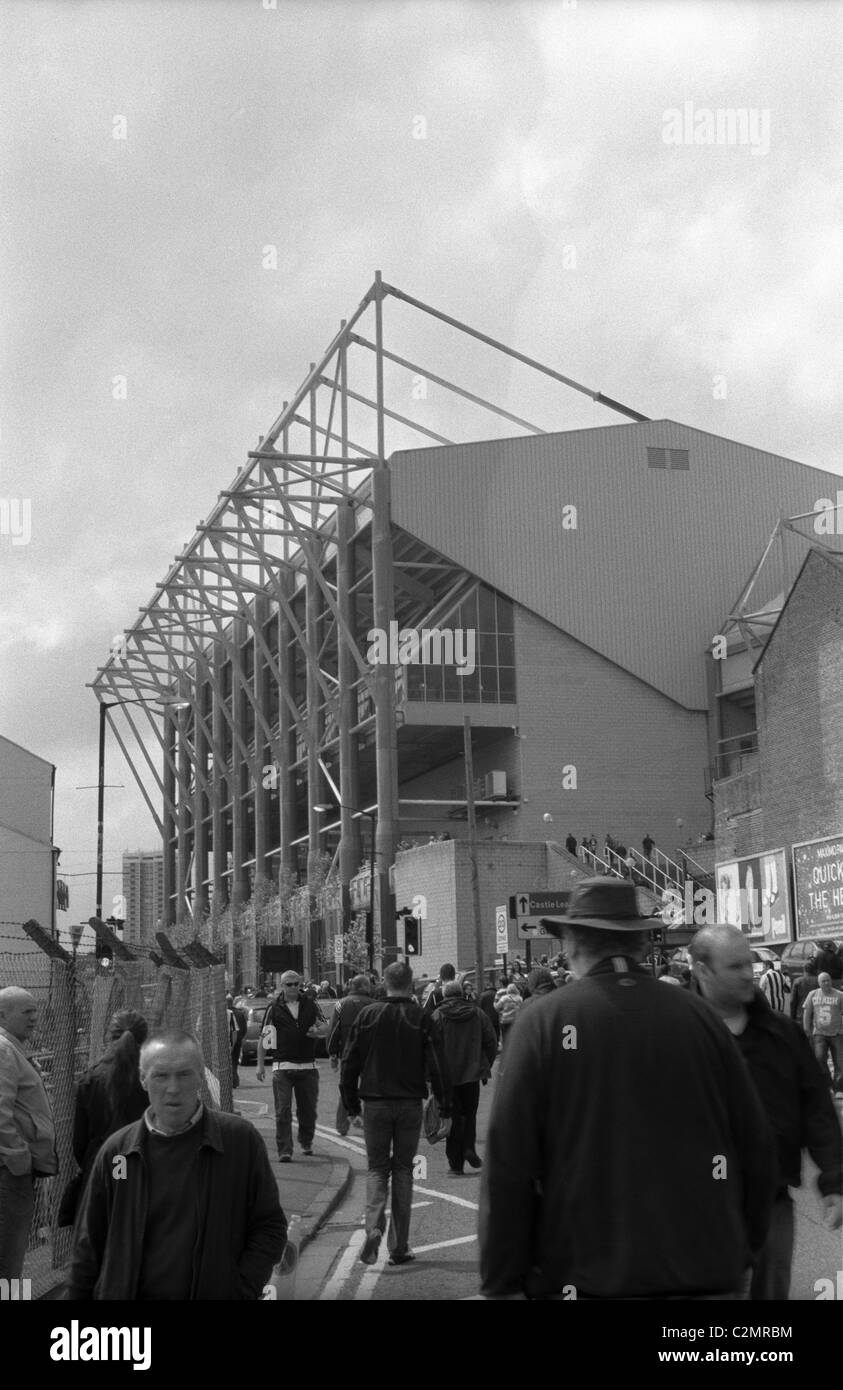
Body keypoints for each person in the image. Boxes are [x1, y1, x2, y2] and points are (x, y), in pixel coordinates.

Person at [478, 879, 776, 1300]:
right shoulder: (702, 1018)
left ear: (571, 943)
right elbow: (756, 1145)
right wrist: (742, 1247)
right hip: (706, 1272)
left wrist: (501, 1281)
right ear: (639, 942)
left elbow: (508, 1167)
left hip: (586, 1275)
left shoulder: (542, 1023)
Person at [66, 1030, 287, 1299]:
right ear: (143, 1080)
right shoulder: (118, 1154)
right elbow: (89, 1242)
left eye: (184, 1074)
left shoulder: (239, 1141)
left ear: (200, 1076)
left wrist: (240, 1288)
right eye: (161, 1075)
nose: (173, 1088)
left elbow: (269, 1226)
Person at [691, 925, 842, 1300]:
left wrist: (835, 1182)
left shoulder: (782, 1034)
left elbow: (817, 1110)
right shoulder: (677, 1034)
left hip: (770, 1203)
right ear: (702, 970)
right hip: (696, 1208)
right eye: (735, 966)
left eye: (749, 964)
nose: (748, 974)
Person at [340, 960, 450, 1267]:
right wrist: (445, 1107)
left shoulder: (367, 1015)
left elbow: (349, 1063)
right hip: (409, 1103)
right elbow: (438, 1067)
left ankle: (374, 1227)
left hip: (374, 1103)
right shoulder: (421, 1017)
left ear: (383, 983)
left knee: (377, 1169)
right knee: (403, 1171)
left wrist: (350, 1107)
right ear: (411, 983)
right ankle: (399, 1247)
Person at [64, 1010, 149, 1226]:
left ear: (110, 1037)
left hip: (103, 1162)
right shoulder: (153, 1075)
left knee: (105, 1230)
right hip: (143, 1162)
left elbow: (79, 1142)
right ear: (144, 1038)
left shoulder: (91, 1078)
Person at [0, 987, 58, 1279]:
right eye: (26, 1012)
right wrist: (18, 1158)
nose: (35, 1018)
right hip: (10, 1173)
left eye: (35, 1011)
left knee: (13, 1257)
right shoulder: (3, 1050)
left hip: (15, 1171)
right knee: (9, 1260)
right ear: (2, 1015)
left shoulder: (12, 1049)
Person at [256, 970, 328, 1162]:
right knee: (283, 1111)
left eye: (296, 984)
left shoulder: (311, 1005)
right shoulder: (274, 1007)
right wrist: (260, 1065)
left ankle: (306, 1141)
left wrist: (318, 1032)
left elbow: (326, 1027)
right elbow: (264, 1038)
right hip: (282, 1067)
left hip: (308, 1067)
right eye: (289, 984)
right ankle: (285, 1150)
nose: (294, 987)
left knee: (308, 1110)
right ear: (282, 986)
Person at [432, 981, 497, 1176]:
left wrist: (430, 1076)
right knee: (469, 1114)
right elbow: (491, 1041)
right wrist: (485, 1064)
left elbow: (430, 1048)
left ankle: (456, 1163)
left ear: (445, 995)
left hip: (447, 1077)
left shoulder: (438, 1016)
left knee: (451, 1117)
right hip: (472, 1074)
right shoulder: (477, 1013)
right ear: (462, 994)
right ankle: (469, 1147)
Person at [327, 974, 372, 1134]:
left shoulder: (341, 1004)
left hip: (348, 1053)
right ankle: (368, 1124)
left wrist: (332, 1053)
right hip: (370, 1055)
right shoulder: (373, 1005)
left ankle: (342, 1125)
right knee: (370, 1089)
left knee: (346, 1087)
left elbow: (333, 1031)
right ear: (366, 987)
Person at [803, 973, 843, 1092]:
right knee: (819, 1058)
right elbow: (807, 1012)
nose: (826, 983)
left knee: (840, 1062)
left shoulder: (840, 995)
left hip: (837, 1033)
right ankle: (828, 1083)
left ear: (831, 981)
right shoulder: (813, 994)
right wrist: (807, 1029)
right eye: (823, 981)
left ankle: (839, 1088)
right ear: (819, 983)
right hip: (819, 1033)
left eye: (828, 980)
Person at [226, 995, 247, 1089]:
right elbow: (244, 1028)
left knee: (228, 1062)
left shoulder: (227, 1013)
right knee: (234, 1061)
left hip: (229, 1041)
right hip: (237, 1041)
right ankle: (234, 1080)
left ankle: (231, 1081)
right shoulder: (239, 1013)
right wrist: (241, 1037)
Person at [790, 967, 819, 1033]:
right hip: (817, 1014)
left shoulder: (797, 981)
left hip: (800, 1015)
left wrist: (792, 1017)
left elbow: (792, 1001)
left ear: (804, 971)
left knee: (802, 1037)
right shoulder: (819, 981)